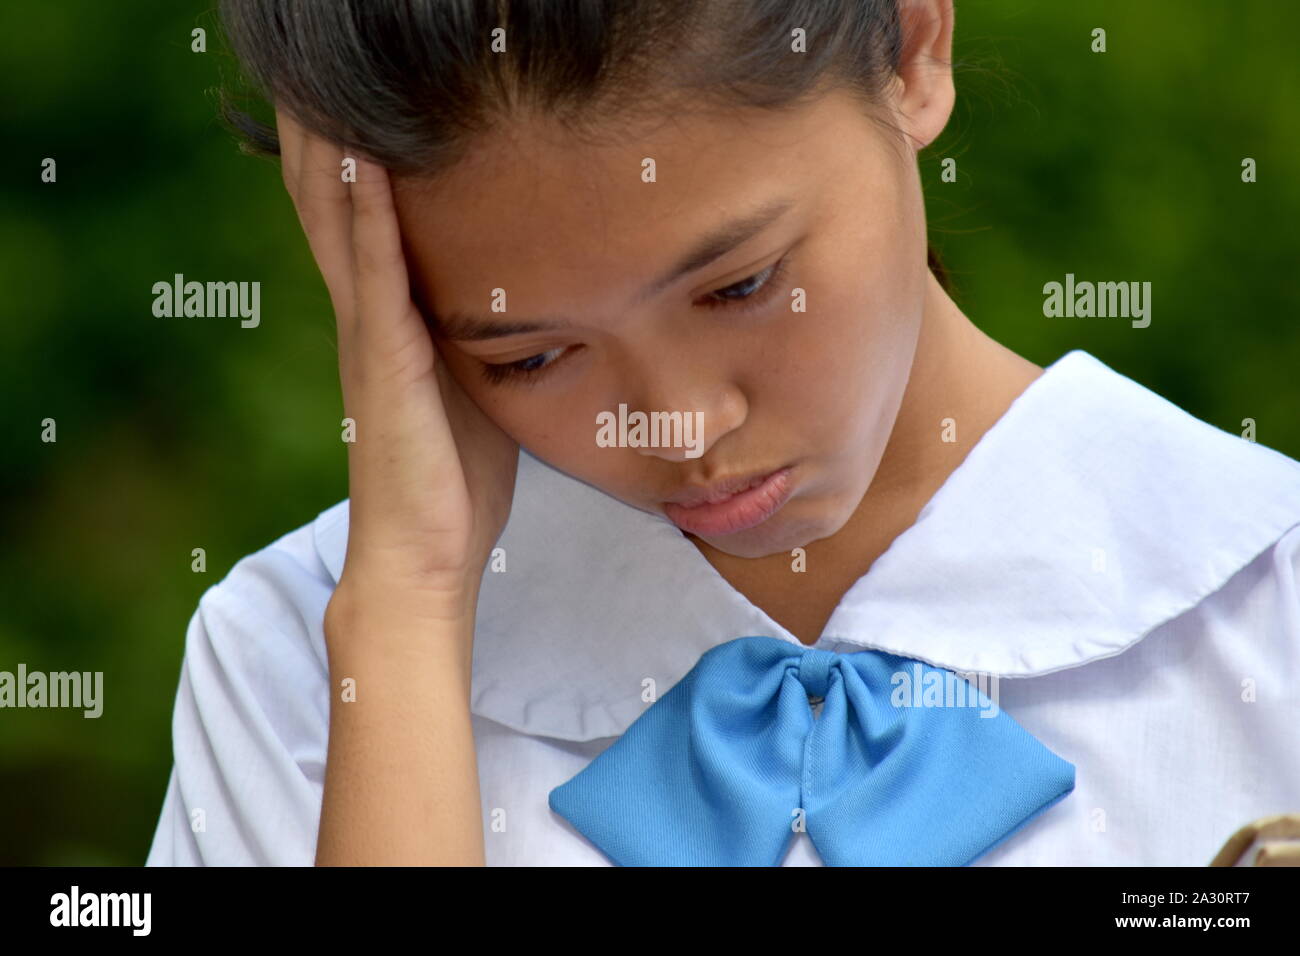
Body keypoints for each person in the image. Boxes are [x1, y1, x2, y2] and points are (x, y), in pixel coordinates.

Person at [145, 0, 1300, 866]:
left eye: (739, 286)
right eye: (529, 357)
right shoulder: (300, 665)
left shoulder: (1270, 602)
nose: (681, 426)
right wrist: (404, 614)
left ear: (910, 49)